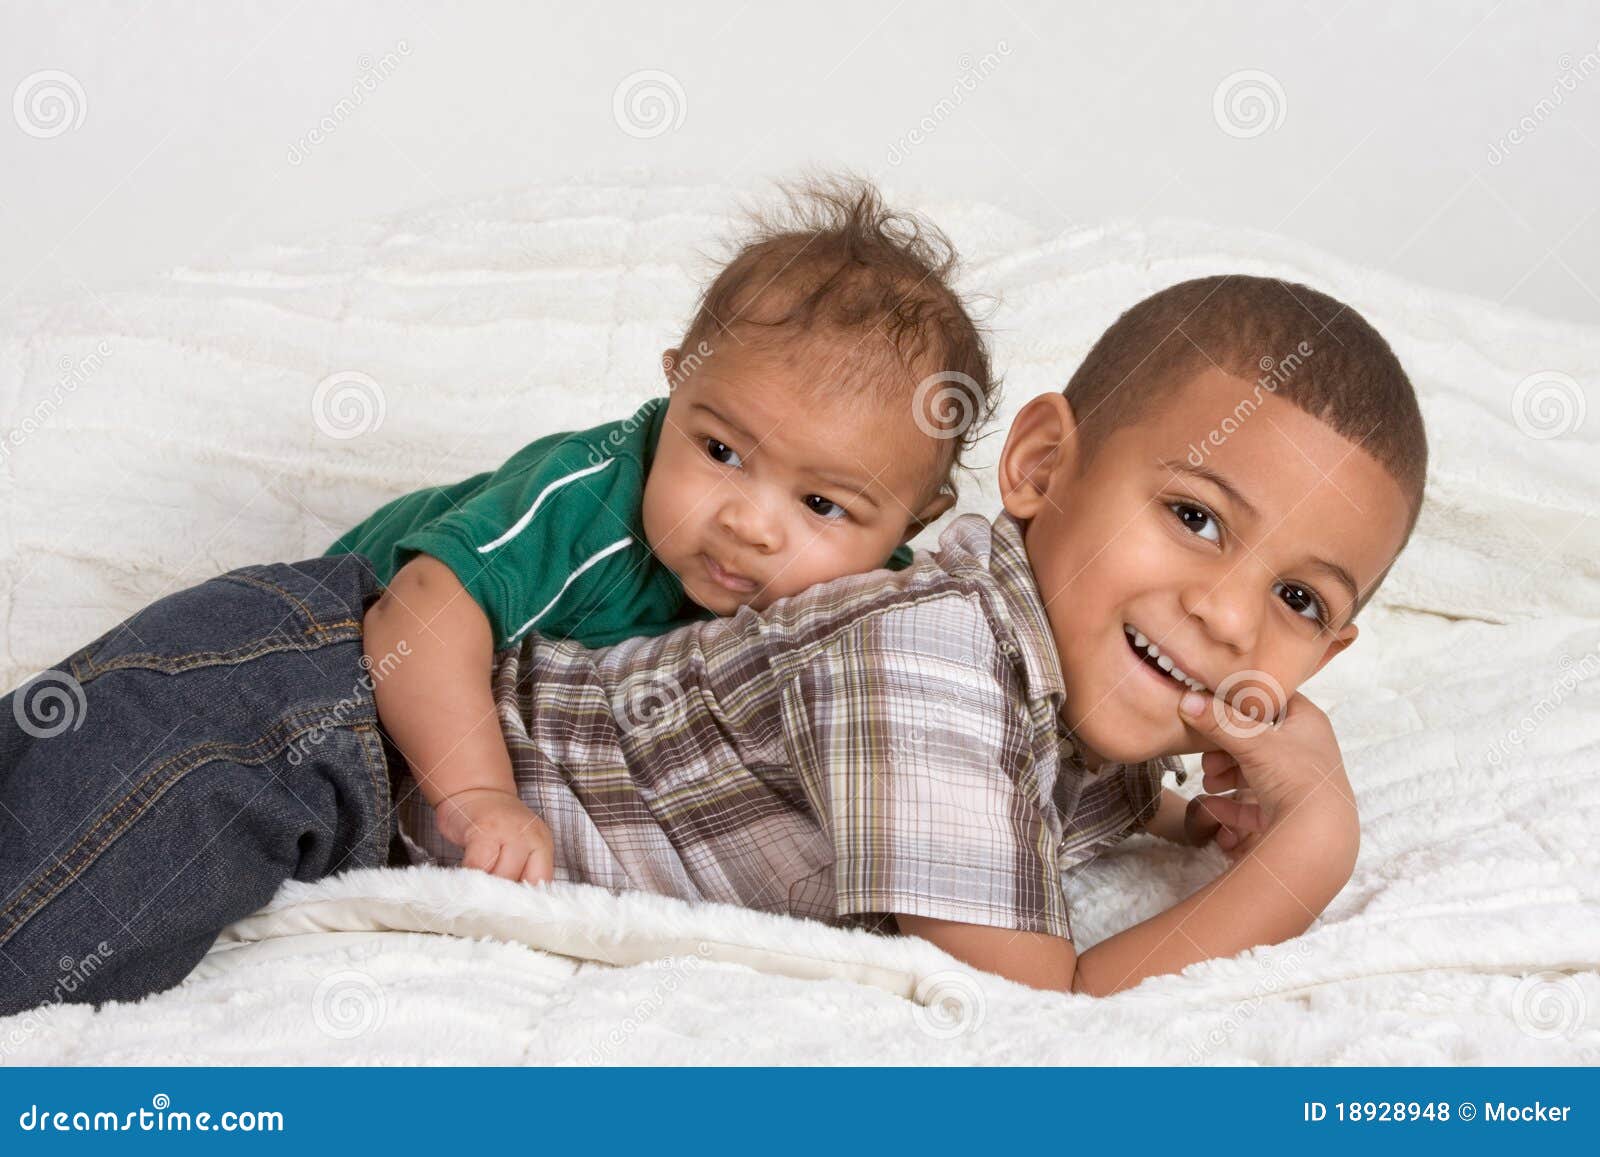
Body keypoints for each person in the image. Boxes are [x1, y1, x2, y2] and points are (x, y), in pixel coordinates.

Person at [0, 273, 1426, 1015]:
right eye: (1192, 514)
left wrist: (1197, 808)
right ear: (1041, 464)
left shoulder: (1061, 700)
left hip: (391, 766)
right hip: (338, 697)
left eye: (1300, 601)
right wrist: (1308, 847)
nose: (1231, 615)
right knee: (57, 900)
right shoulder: (925, 653)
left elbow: (1069, 794)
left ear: (1342, 647)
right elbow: (1039, 1002)